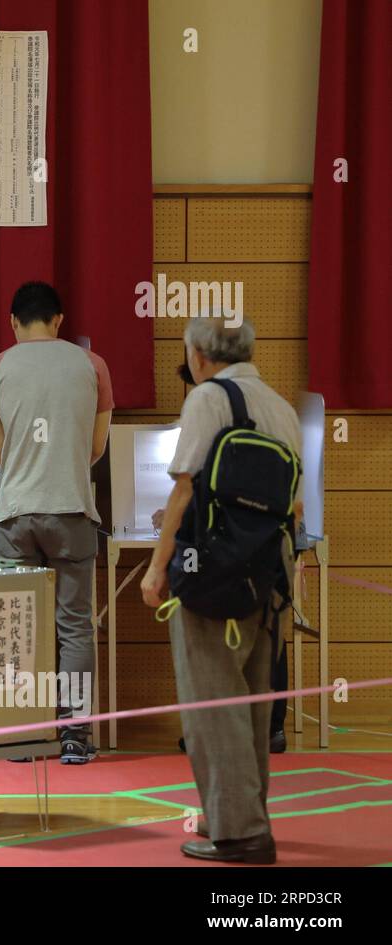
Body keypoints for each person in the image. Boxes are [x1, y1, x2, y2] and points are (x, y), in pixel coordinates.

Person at [141, 315, 302, 865]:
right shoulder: (279, 405)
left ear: (198, 355)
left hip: (213, 572)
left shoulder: (208, 397)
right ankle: (240, 814)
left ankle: (241, 834)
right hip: (271, 573)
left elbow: (185, 487)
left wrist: (156, 568)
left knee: (213, 703)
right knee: (254, 705)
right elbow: (294, 506)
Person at [0, 281, 113, 765]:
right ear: (60, 321)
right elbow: (96, 449)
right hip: (72, 508)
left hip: (14, 512)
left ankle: (21, 734)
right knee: (74, 627)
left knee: (17, 624)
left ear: (14, 323)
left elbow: (0, 453)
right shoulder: (92, 366)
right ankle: (74, 735)